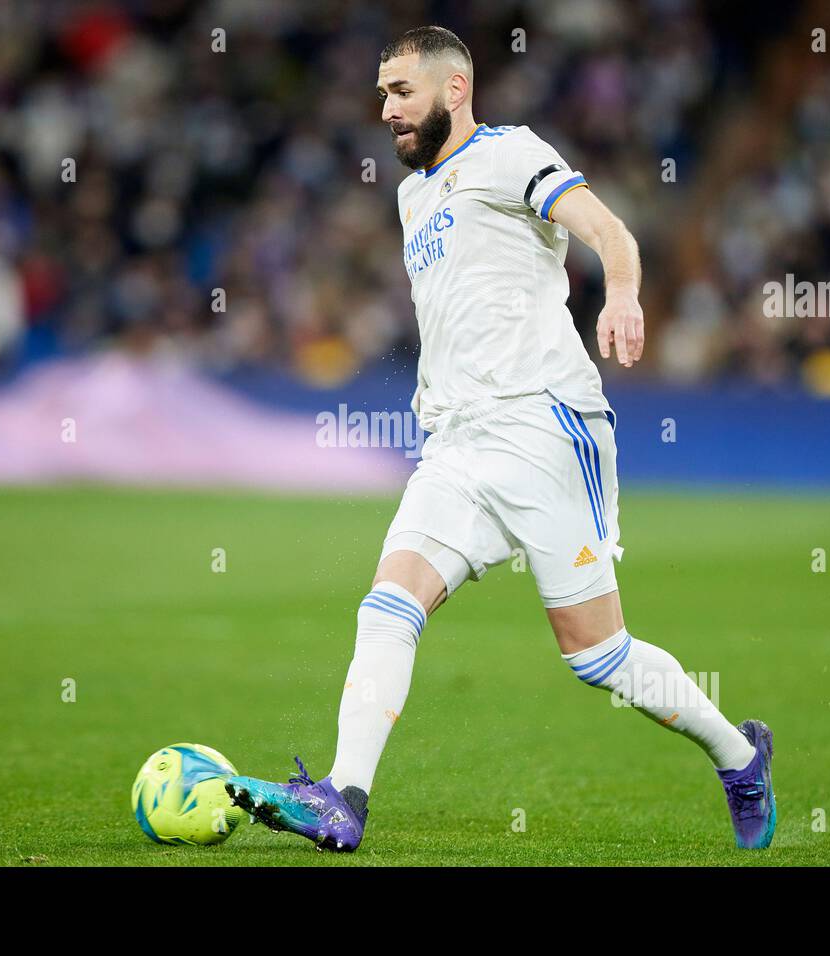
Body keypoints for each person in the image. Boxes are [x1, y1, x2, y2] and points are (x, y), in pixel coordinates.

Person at [226, 26, 775, 853]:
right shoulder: (413, 195)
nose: (386, 110)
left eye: (400, 91)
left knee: (596, 655)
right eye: (380, 94)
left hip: (543, 425)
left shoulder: (512, 154)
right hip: (455, 442)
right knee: (389, 604)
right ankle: (344, 797)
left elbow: (612, 232)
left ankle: (739, 756)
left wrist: (620, 296)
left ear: (454, 89)